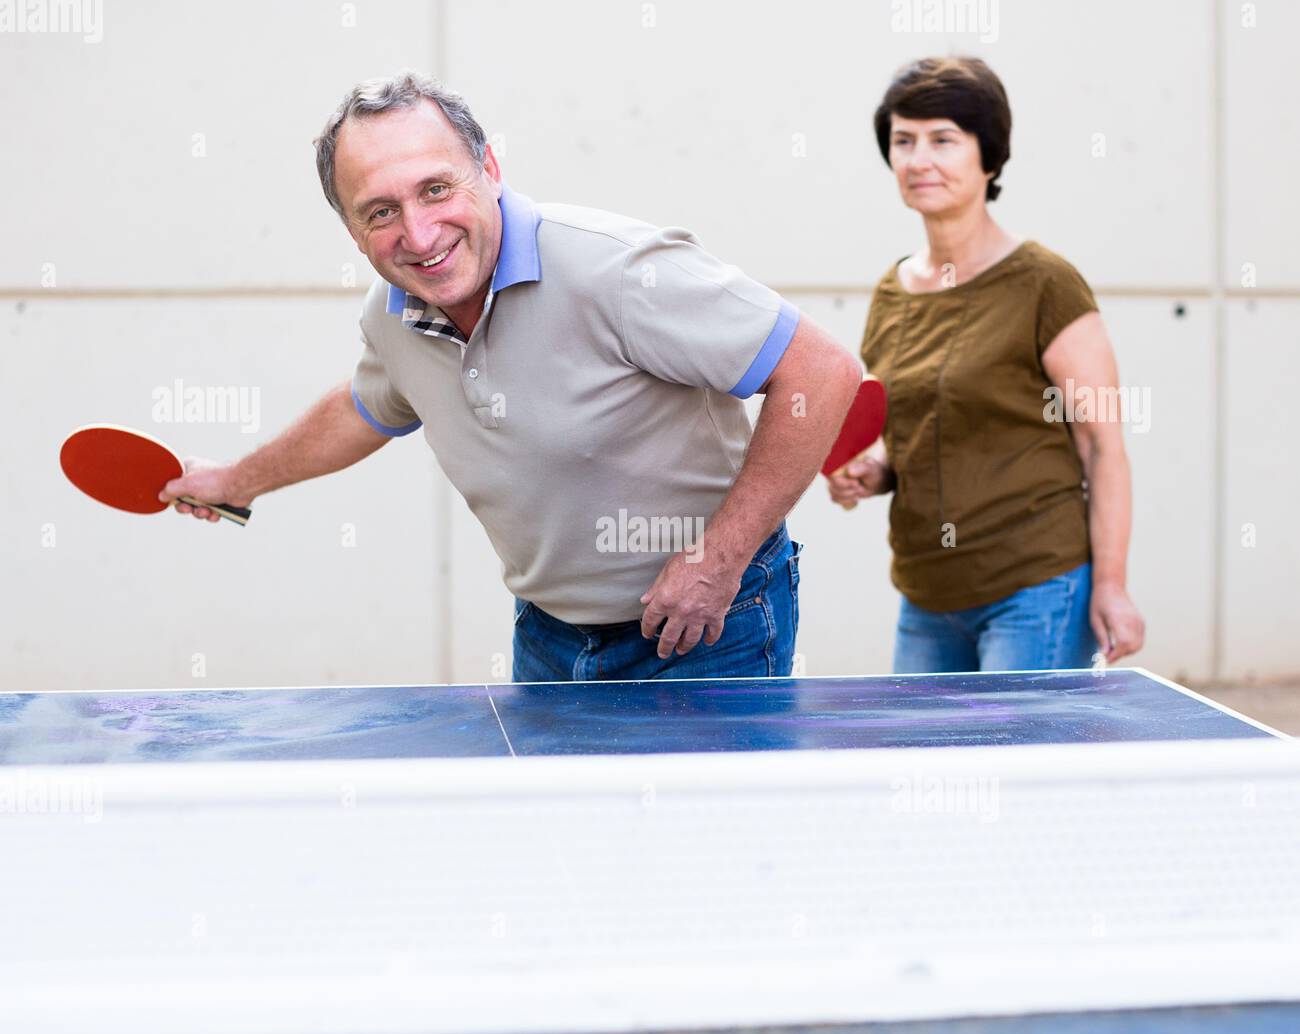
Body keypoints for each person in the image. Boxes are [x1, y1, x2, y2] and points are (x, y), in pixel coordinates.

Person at [162, 73, 861, 682]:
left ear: (490, 167)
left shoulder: (616, 269)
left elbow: (822, 371)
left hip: (709, 625)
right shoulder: (394, 314)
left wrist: (717, 560)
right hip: (548, 637)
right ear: (352, 230)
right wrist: (234, 482)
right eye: (381, 211)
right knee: (561, 839)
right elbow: (362, 408)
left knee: (702, 838)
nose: (420, 232)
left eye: (436, 188)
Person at [830, 57, 1145, 672]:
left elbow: (1103, 445)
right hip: (925, 595)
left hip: (1035, 589)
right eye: (903, 141)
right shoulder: (889, 292)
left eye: (943, 139)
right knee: (916, 767)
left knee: (1018, 768)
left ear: (990, 156)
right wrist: (879, 471)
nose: (919, 159)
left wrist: (1110, 582)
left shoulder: (1046, 284)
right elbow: (924, 427)